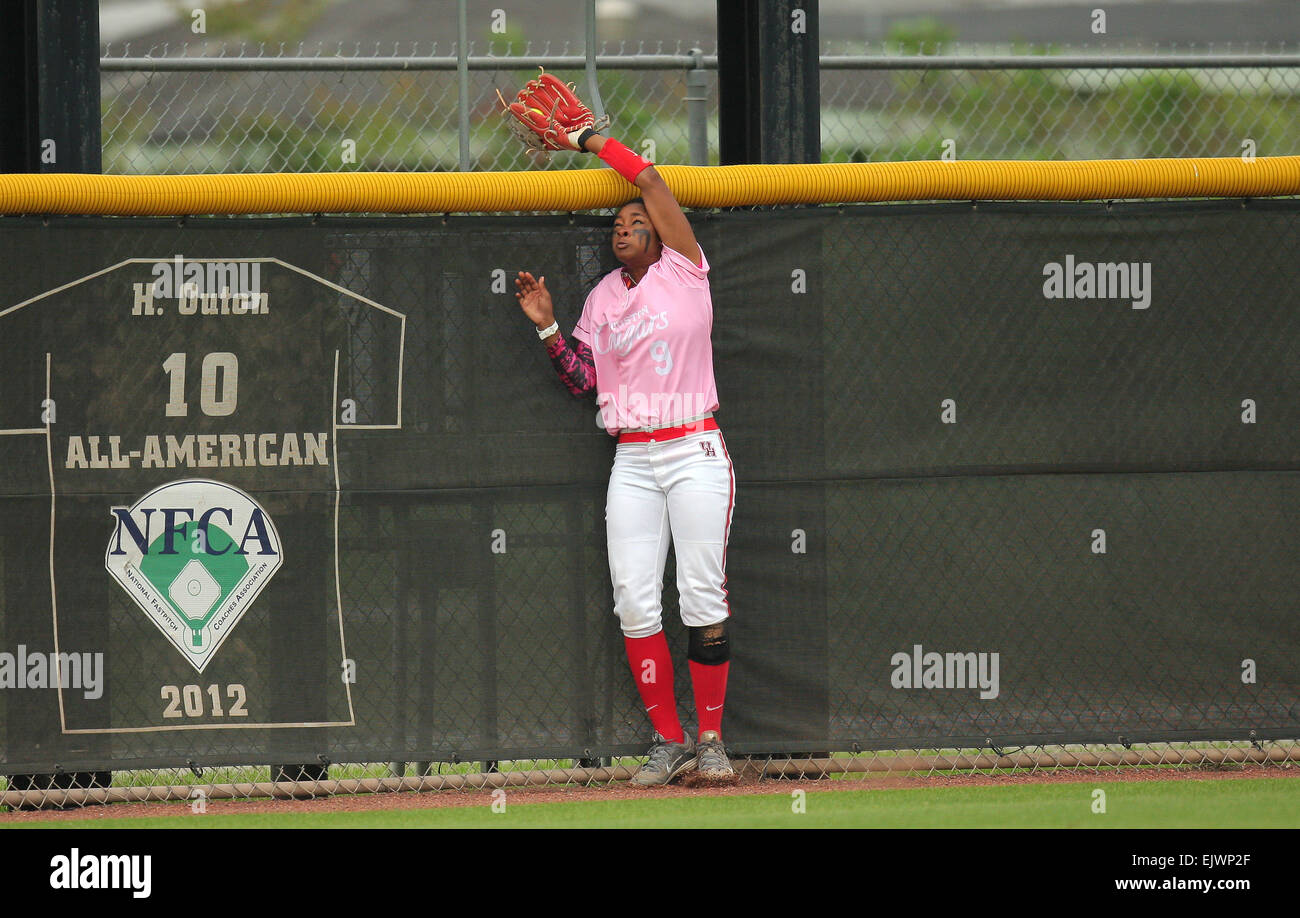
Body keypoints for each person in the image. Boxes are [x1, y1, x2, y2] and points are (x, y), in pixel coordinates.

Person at [515, 129, 737, 786]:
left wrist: (589, 139)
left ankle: (713, 737)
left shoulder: (686, 269)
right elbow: (586, 382)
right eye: (616, 223)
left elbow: (652, 182)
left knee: (700, 593)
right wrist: (550, 326)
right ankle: (669, 741)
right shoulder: (605, 297)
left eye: (636, 221)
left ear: (661, 233)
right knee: (635, 602)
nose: (624, 226)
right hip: (633, 461)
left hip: (694, 446)